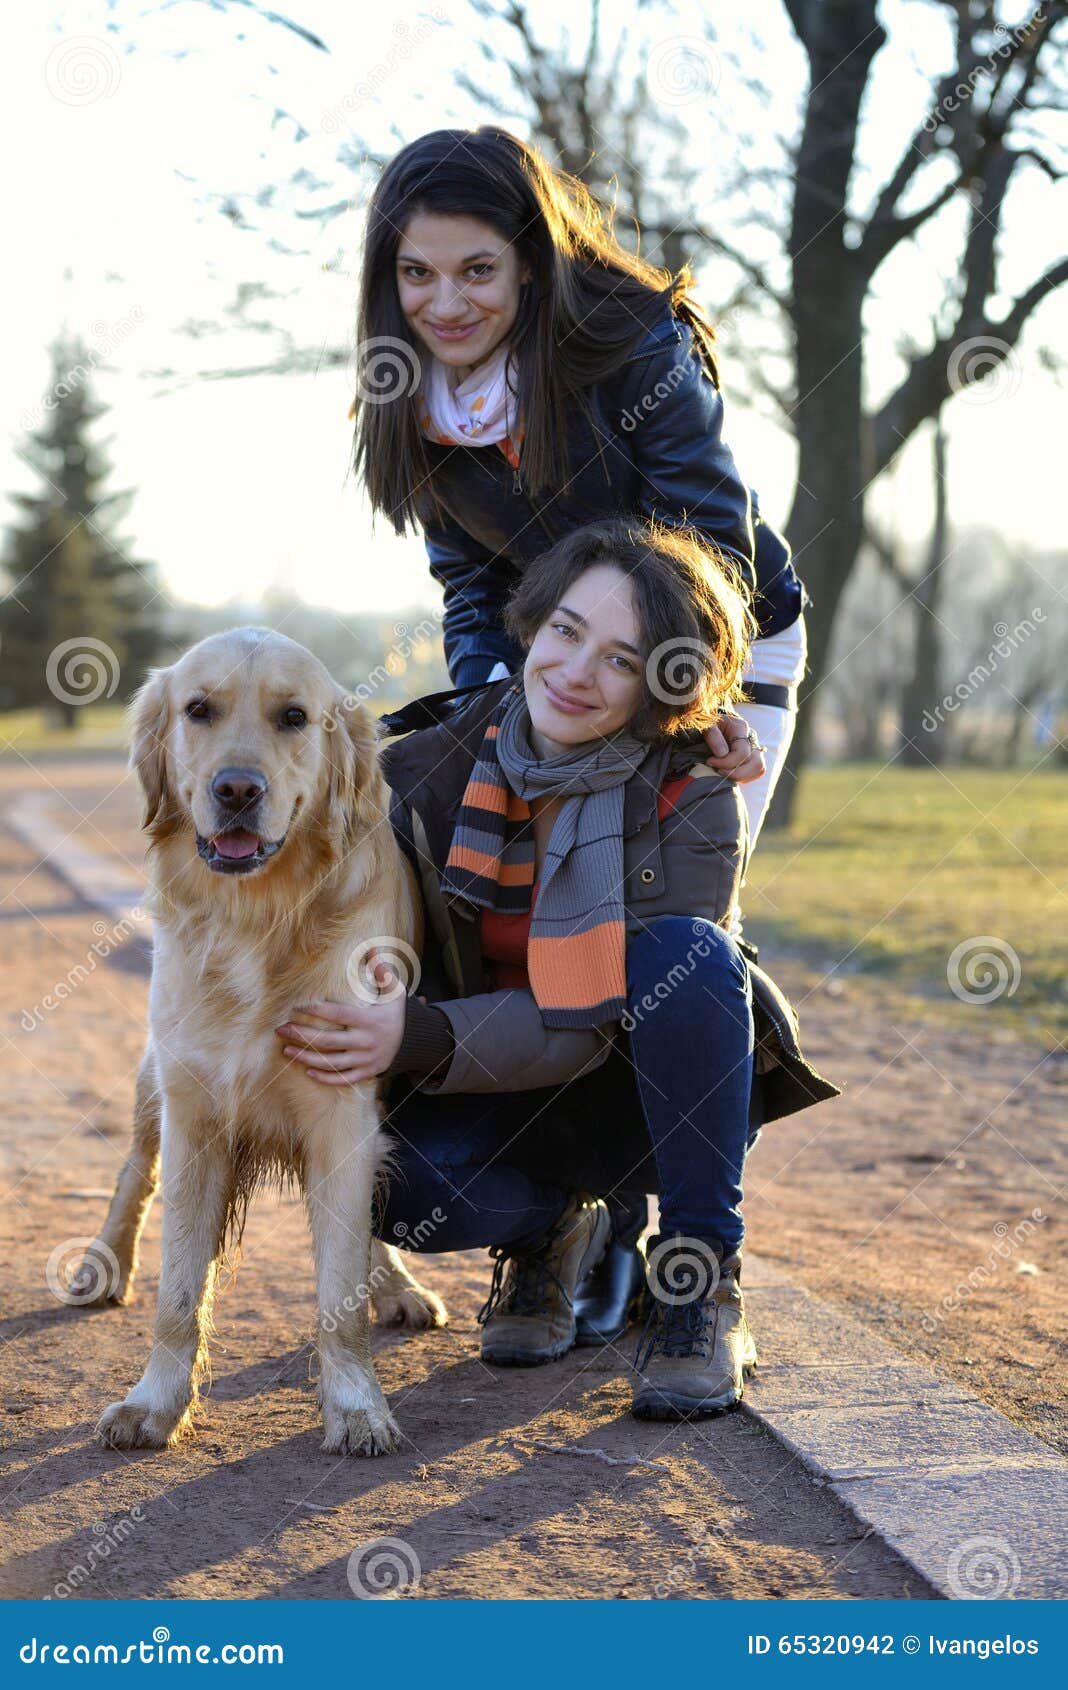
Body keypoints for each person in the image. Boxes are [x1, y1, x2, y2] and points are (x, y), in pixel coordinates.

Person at [276, 518, 837, 1421]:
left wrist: (416, 1034)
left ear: (665, 684)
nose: (576, 671)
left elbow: (601, 1014)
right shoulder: (422, 768)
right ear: (532, 627)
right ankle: (552, 1231)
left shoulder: (691, 789)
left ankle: (699, 1284)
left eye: (622, 659)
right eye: (568, 632)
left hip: (635, 1095)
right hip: (482, 1089)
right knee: (385, 1182)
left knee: (688, 955)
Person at [351, 124, 809, 848]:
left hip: (719, 637)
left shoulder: (636, 342)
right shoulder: (408, 399)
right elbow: (474, 589)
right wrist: (491, 710)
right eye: (417, 274)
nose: (444, 305)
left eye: (477, 271)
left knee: (675, 891)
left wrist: (692, 695)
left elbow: (715, 542)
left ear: (529, 261)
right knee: (535, 885)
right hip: (571, 662)